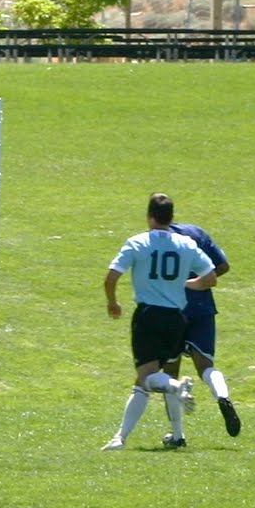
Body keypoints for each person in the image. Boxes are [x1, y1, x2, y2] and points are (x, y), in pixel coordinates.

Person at [100, 193, 217, 451]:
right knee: (144, 380)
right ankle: (121, 437)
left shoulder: (138, 242)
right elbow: (210, 278)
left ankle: (176, 386)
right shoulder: (186, 244)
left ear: (149, 216)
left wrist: (112, 302)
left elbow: (111, 278)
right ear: (171, 217)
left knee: (148, 378)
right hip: (176, 319)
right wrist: (186, 284)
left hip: (148, 316)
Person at [166, 216, 241, 438]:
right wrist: (201, 279)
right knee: (206, 366)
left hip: (170, 308)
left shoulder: (154, 239)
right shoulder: (196, 232)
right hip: (201, 305)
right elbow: (223, 266)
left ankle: (177, 435)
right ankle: (222, 396)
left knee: (170, 371)